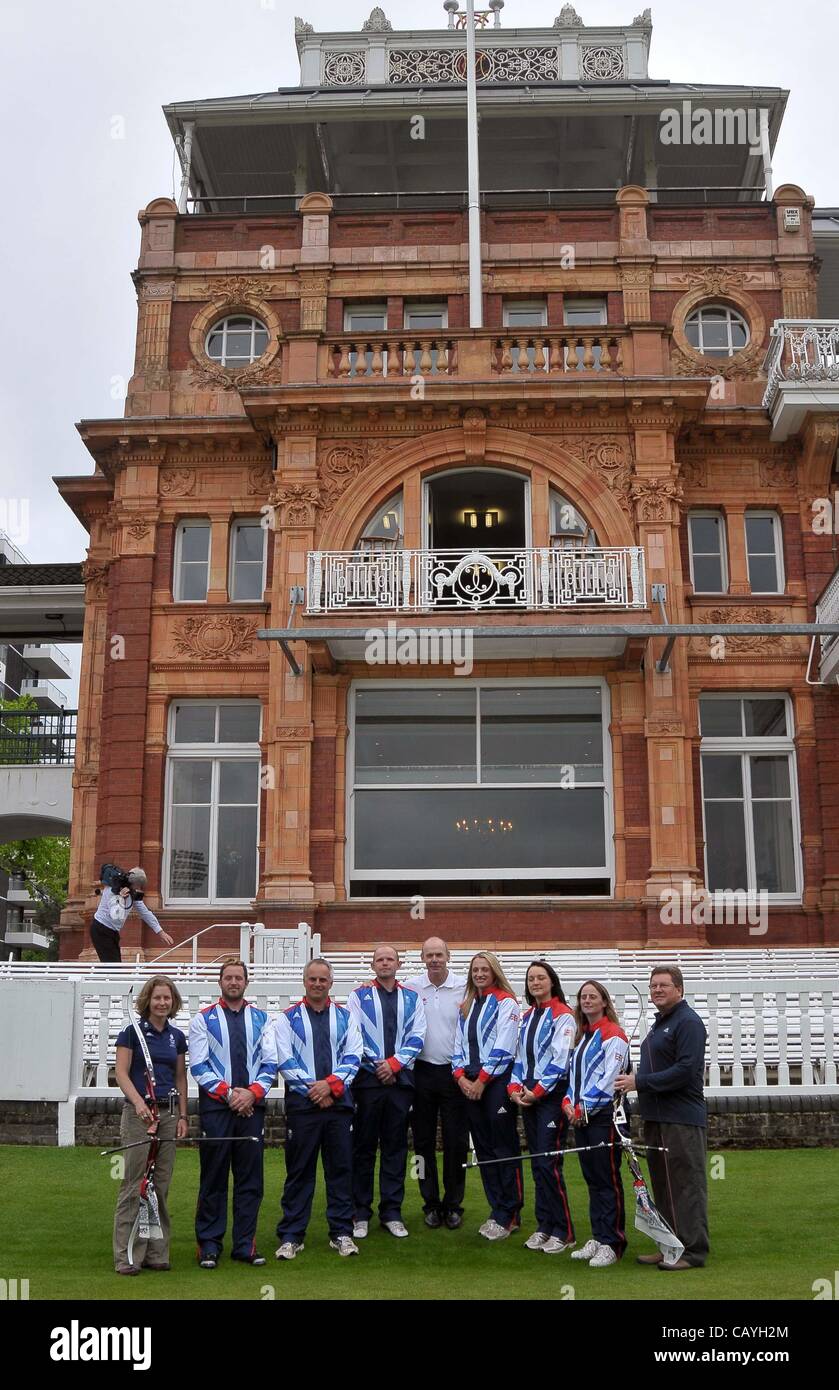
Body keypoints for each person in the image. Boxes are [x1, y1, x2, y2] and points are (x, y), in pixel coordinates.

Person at [263, 958, 364, 1259]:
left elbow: (354, 1056)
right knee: (299, 1171)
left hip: (339, 1105)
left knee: (340, 1170)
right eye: (312, 979)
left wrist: (331, 1087)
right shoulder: (286, 1019)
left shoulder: (347, 1018)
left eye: (323, 980)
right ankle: (292, 1235)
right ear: (304, 982)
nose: (317, 984)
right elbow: (285, 1059)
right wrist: (315, 1090)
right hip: (303, 1107)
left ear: (331, 983)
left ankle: (342, 1233)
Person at [614, 964, 709, 1271]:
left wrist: (638, 1082)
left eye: (663, 985)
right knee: (663, 1184)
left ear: (679, 989)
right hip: (656, 1117)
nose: (656, 990)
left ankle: (692, 1252)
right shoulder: (660, 1024)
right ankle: (669, 1246)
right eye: (653, 985)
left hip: (681, 1118)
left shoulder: (688, 1022)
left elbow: (685, 1070)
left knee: (685, 1185)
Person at [188, 958, 276, 1269]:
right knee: (213, 1175)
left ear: (246, 983)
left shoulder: (263, 1019)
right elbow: (198, 1065)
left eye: (239, 978)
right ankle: (209, 1244)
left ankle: (245, 1245)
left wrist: (251, 1093)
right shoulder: (203, 1019)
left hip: (252, 1107)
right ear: (220, 982)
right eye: (229, 978)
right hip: (217, 1108)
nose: (234, 982)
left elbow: (270, 1064)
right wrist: (230, 1093)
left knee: (250, 1178)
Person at [348, 945, 426, 1239]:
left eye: (389, 959)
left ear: (398, 963)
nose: (384, 963)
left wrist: (394, 1065)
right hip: (368, 1082)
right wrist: (380, 1066)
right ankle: (360, 1213)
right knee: (364, 1147)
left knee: (395, 1148)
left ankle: (392, 1212)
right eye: (379, 959)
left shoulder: (412, 997)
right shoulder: (358, 996)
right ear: (372, 965)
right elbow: (353, 1035)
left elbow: (419, 1035)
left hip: (400, 1082)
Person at [113, 975, 188, 1275]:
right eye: (157, 997)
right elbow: (120, 1073)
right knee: (134, 1186)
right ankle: (127, 1255)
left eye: (167, 998)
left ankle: (156, 1251)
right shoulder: (132, 1034)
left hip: (167, 1115)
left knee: (160, 1186)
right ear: (148, 1000)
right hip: (139, 1115)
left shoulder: (176, 1037)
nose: (162, 1002)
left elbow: (180, 1077)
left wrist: (183, 1115)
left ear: (173, 1002)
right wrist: (139, 1103)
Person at [453, 950, 522, 1241]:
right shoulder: (468, 1005)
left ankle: (511, 1212)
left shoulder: (506, 1003)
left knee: (503, 1147)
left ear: (494, 972)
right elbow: (457, 1045)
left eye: (485, 969)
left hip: (494, 1083)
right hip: (469, 1083)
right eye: (475, 970)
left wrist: (481, 1080)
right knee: (483, 1149)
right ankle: (496, 1209)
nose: (479, 974)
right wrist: (459, 1078)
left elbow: (504, 1046)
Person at [509, 960, 576, 1254]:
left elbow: (559, 1061)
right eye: (531, 979)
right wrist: (514, 1089)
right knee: (537, 1163)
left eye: (540, 978)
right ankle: (543, 1226)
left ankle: (564, 1230)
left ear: (552, 981)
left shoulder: (563, 1015)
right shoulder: (526, 1016)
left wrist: (536, 1092)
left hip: (549, 1096)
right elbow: (519, 1058)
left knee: (549, 1163)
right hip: (530, 1096)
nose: (535, 983)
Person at [563, 979, 629, 1269]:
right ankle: (599, 1236)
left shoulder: (613, 1034)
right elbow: (573, 1077)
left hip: (603, 1116)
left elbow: (608, 1079)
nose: (587, 1001)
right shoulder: (582, 1036)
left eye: (593, 996)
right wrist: (568, 1104)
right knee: (592, 1179)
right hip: (581, 1116)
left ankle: (613, 1242)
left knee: (607, 1179)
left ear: (604, 1002)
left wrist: (583, 1107)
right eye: (583, 997)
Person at [406, 938, 469, 1229]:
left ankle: (453, 1204)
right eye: (429, 955)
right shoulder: (412, 987)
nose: (434, 959)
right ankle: (430, 1203)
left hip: (454, 1073)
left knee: (456, 1141)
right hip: (421, 1072)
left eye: (439, 954)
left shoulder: (463, 986)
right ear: (422, 958)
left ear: (448, 956)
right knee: (422, 1142)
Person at [91, 867, 174, 963]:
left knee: (114, 965)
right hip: (101, 929)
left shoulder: (131, 893)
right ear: (134, 883)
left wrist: (160, 932)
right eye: (139, 886)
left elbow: (145, 912)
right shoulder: (112, 889)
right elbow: (115, 915)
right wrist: (120, 898)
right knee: (111, 966)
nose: (138, 889)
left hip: (113, 931)